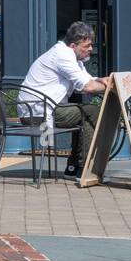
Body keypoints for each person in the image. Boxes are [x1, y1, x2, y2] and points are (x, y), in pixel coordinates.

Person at [18, 22, 109, 177]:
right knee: (91, 111)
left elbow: (86, 80)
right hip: (38, 111)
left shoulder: (70, 56)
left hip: (42, 108)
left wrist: (101, 80)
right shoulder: (63, 55)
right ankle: (85, 169)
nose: (91, 49)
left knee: (84, 113)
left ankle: (75, 167)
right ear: (73, 45)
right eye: (86, 46)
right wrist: (112, 86)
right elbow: (87, 87)